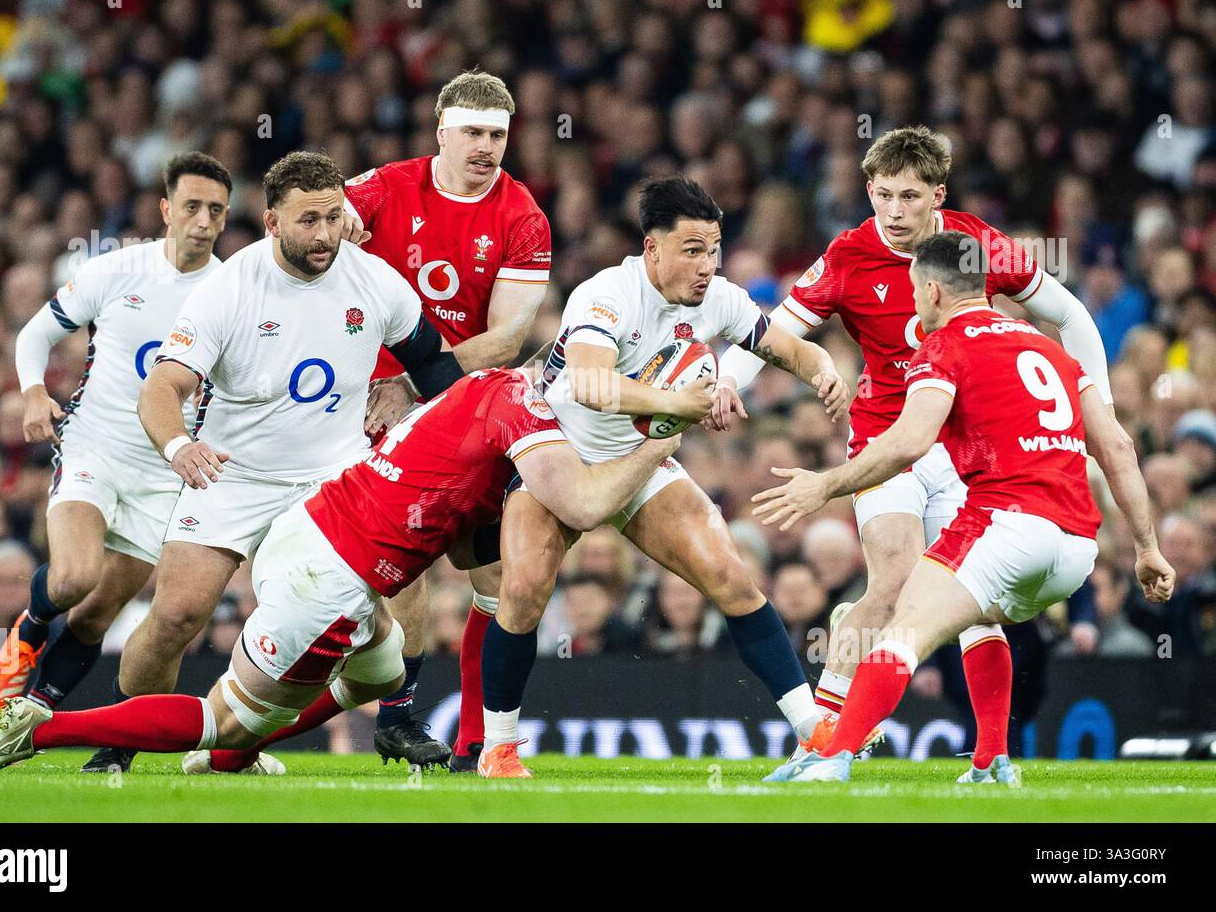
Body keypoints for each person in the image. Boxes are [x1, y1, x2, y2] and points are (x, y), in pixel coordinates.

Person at [0, 368, 679, 775]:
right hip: (330, 579)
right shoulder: (525, 418)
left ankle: (234, 756)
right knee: (222, 721)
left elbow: (465, 549)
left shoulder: (491, 392)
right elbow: (584, 500)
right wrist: (656, 444)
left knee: (380, 674)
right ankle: (40, 729)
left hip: (311, 529)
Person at [712, 126, 1117, 759]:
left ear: (938, 193)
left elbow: (1070, 315)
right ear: (868, 191)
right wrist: (726, 385)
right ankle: (822, 740)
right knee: (896, 575)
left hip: (964, 447)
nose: (894, 213)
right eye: (883, 196)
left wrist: (1104, 412)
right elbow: (774, 329)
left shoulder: (974, 246)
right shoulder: (849, 255)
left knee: (974, 603)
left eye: (910, 196)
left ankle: (992, 756)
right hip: (885, 435)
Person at [81, 151, 465, 775]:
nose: (323, 235)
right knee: (176, 614)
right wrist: (181, 447)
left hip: (333, 476)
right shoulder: (228, 288)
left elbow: (437, 369)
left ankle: (395, 719)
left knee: (405, 583)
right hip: (232, 470)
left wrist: (418, 407)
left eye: (334, 218)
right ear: (270, 223)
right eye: (308, 221)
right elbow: (162, 388)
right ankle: (119, 742)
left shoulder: (374, 280)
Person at [751, 231, 1174, 784]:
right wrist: (1147, 548)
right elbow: (1117, 448)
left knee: (906, 628)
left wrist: (824, 485)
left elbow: (907, 443)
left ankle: (831, 756)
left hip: (1007, 525)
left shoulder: (945, 346)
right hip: (1076, 550)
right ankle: (991, 761)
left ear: (931, 291)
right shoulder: (1050, 349)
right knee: (979, 618)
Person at [476, 176, 854, 779]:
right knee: (522, 591)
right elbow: (595, 386)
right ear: (653, 249)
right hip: (557, 450)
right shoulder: (606, 295)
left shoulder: (719, 298)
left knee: (730, 574)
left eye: (714, 249)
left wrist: (824, 370)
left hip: (638, 457)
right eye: (692, 250)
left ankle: (815, 732)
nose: (707, 265)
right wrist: (678, 405)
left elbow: (787, 348)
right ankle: (497, 748)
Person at [341, 71, 552, 770]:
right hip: (361, 399)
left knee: (496, 579)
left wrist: (415, 381)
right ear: (441, 130)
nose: (485, 147)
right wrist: (336, 220)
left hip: (459, 403)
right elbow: (317, 236)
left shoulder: (523, 218)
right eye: (472, 132)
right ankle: (393, 717)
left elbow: (506, 340)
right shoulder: (382, 188)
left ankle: (474, 741)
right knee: (399, 571)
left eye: (497, 134)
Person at [0, 152, 231, 711]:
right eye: (192, 206)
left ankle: (32, 716)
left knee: (98, 613)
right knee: (74, 578)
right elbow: (34, 335)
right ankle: (32, 621)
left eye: (215, 210)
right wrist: (32, 392)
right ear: (166, 208)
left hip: (165, 473)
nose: (202, 220)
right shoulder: (116, 270)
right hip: (94, 444)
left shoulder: (230, 292)